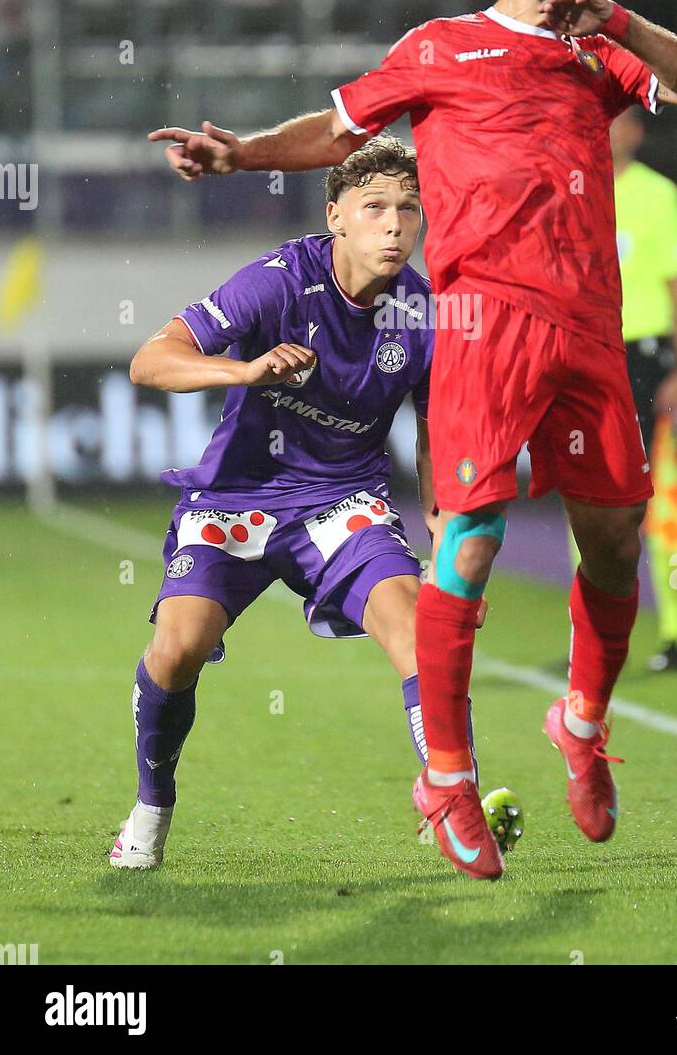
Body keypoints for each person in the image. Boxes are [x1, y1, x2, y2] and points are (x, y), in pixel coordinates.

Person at [150, 0, 677, 880]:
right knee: (470, 540)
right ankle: (447, 779)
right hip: (482, 323)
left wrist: (616, 21)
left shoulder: (599, 50)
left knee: (615, 542)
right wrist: (241, 154)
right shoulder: (442, 47)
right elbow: (337, 130)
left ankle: (579, 723)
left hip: (587, 326)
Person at [111, 136, 475, 869]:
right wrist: (243, 370)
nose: (395, 225)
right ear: (336, 215)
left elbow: (440, 430)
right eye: (375, 208)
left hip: (344, 500)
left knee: (421, 639)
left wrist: (448, 544)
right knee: (177, 651)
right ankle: (151, 806)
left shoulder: (426, 311)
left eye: (409, 209)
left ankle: (454, 797)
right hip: (236, 498)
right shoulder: (278, 281)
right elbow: (150, 360)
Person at [606, 106, 677, 671]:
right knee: (590, 493)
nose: (607, 129)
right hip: (588, 360)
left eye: (617, 119)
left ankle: (675, 630)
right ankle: (591, 624)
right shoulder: (570, 190)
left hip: (643, 357)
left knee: (659, 492)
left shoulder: (658, 195)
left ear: (637, 131)